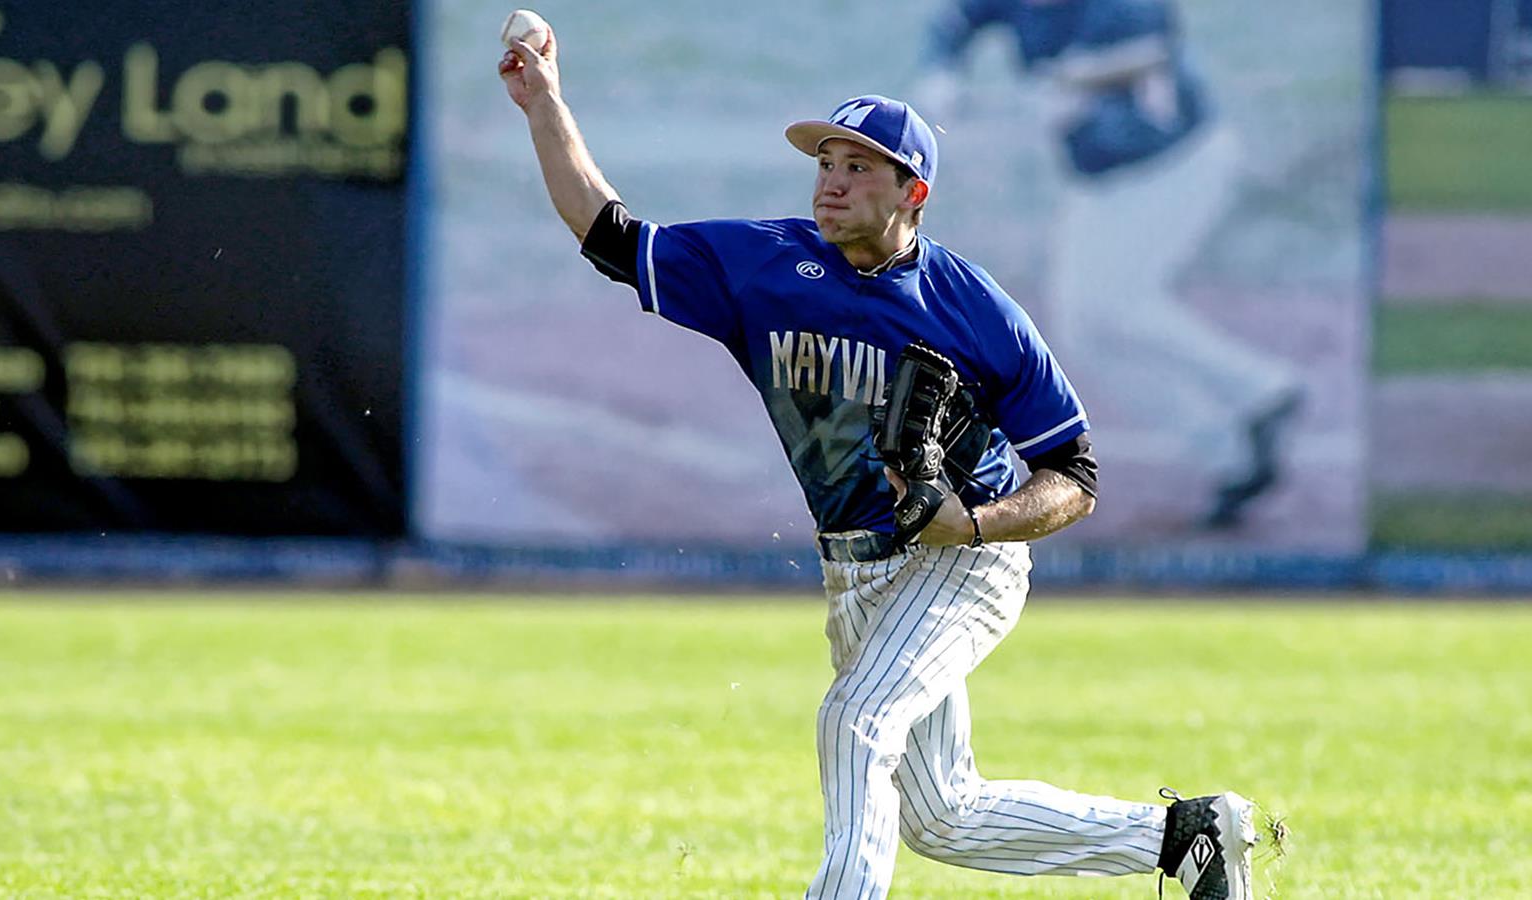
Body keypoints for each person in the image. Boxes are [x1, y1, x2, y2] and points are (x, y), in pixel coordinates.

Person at [499, 21, 1257, 899]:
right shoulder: (765, 265)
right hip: (856, 569)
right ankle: (1189, 837)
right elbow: (607, 232)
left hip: (961, 559)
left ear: (913, 190)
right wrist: (545, 102)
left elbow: (1074, 477)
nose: (832, 180)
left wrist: (970, 523)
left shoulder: (970, 305)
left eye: (859, 166)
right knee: (943, 814)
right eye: (826, 161)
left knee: (855, 721)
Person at [916, 0, 1304, 528]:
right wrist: (944, 69)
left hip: (1176, 164)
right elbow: (957, 21)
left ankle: (1263, 389)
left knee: (1117, 305)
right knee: (1083, 327)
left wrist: (1068, 85)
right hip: (1101, 181)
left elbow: (1147, 51)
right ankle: (1231, 447)